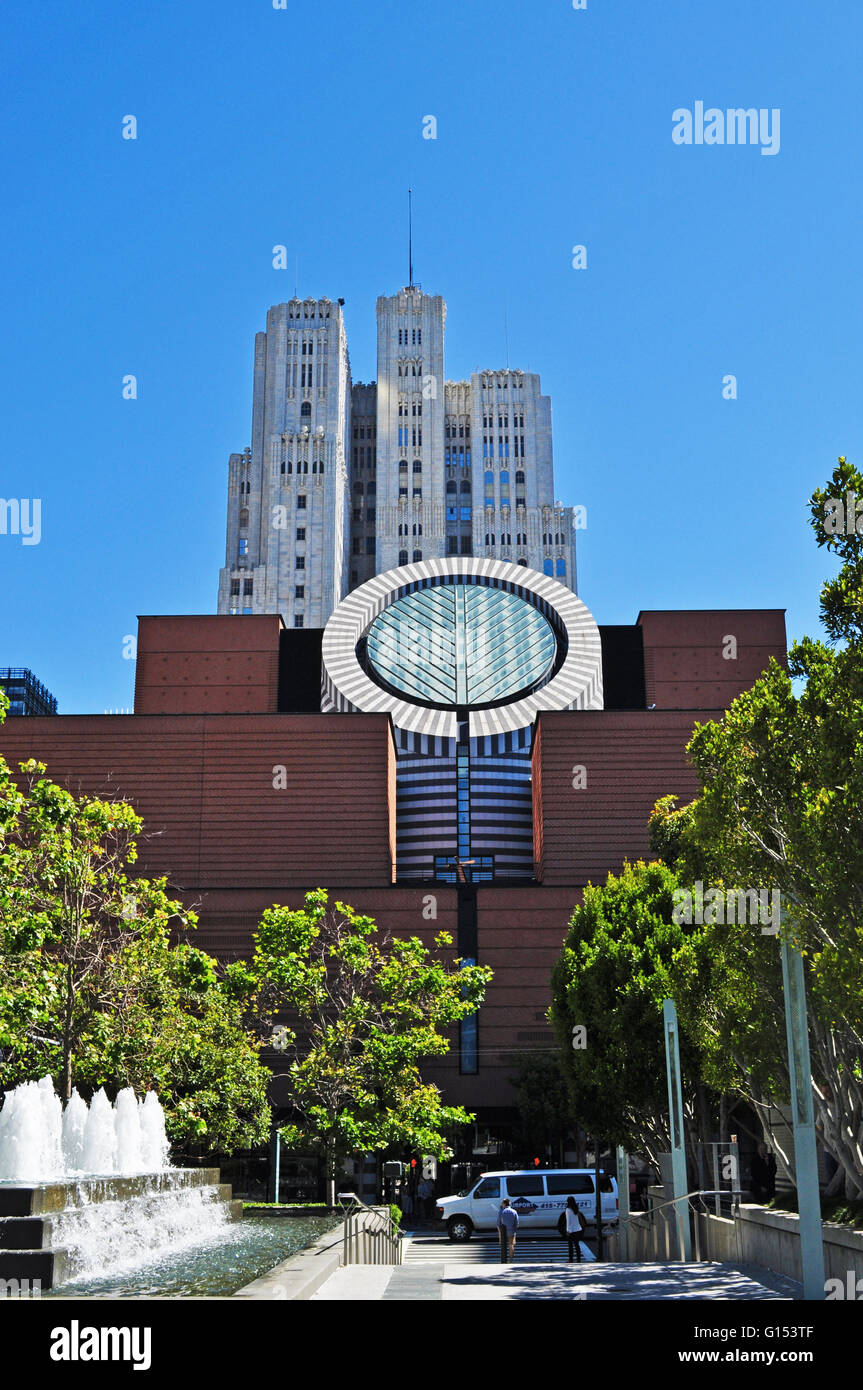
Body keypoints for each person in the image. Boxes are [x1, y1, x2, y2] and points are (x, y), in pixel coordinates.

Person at [564, 1195, 587, 1262]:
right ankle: (578, 1259)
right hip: (578, 1229)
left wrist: (568, 1230)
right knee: (577, 1245)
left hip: (571, 1230)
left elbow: (568, 1221)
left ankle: (571, 1259)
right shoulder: (576, 1209)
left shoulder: (568, 1210)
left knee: (570, 1246)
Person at [497, 1198, 518, 1263]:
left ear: (504, 1204)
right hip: (511, 1230)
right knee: (511, 1245)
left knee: (503, 1245)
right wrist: (514, 1231)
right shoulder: (514, 1211)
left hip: (503, 1231)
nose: (501, 1204)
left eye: (502, 1203)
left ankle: (504, 1260)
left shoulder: (501, 1211)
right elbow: (516, 1223)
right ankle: (511, 1261)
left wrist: (499, 1233)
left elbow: (498, 1223)